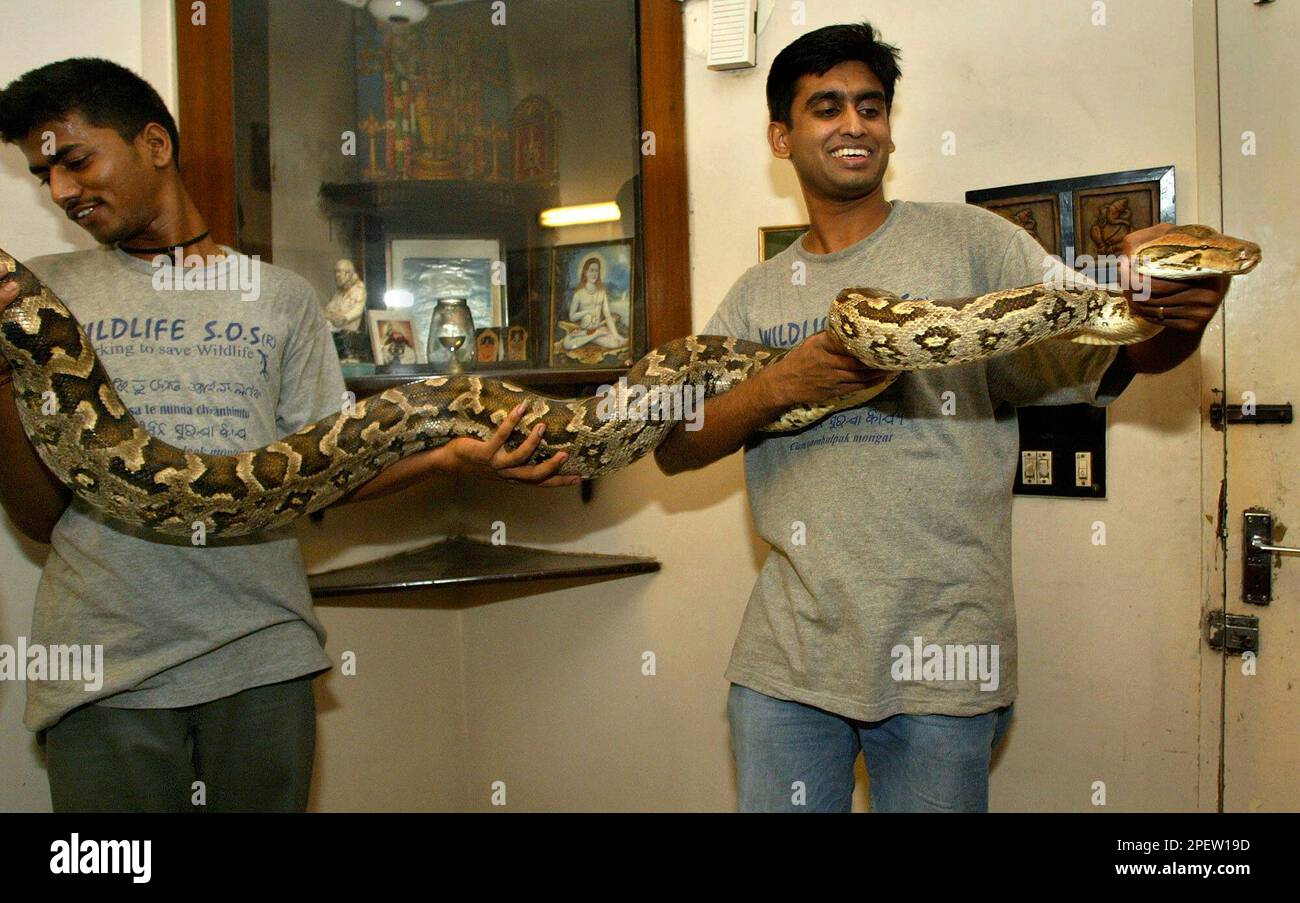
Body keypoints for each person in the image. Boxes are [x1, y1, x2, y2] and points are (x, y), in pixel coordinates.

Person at [654, 23, 1231, 812]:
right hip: (787, 663)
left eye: (871, 106)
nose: (854, 123)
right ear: (781, 137)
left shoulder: (973, 244)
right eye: (826, 107)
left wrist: (1181, 318)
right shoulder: (756, 296)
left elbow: (1118, 355)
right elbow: (676, 449)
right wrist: (784, 381)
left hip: (946, 655)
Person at [0, 58, 580, 813]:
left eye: (75, 160)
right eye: (43, 173)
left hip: (261, 660)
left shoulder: (282, 298)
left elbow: (320, 476)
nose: (63, 190)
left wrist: (447, 458)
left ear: (154, 143)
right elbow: (38, 518)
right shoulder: (37, 295)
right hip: (103, 671)